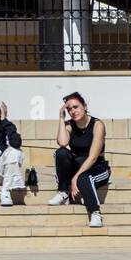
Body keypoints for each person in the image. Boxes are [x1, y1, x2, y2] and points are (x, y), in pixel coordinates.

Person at [50, 92, 110, 227]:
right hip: (79, 166)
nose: (73, 111)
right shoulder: (70, 125)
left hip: (97, 167)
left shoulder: (97, 125)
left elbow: (93, 157)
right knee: (61, 153)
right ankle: (64, 192)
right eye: (69, 109)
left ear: (85, 106)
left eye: (76, 107)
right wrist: (61, 118)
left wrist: (75, 178)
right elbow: (62, 143)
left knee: (83, 178)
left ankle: (95, 213)